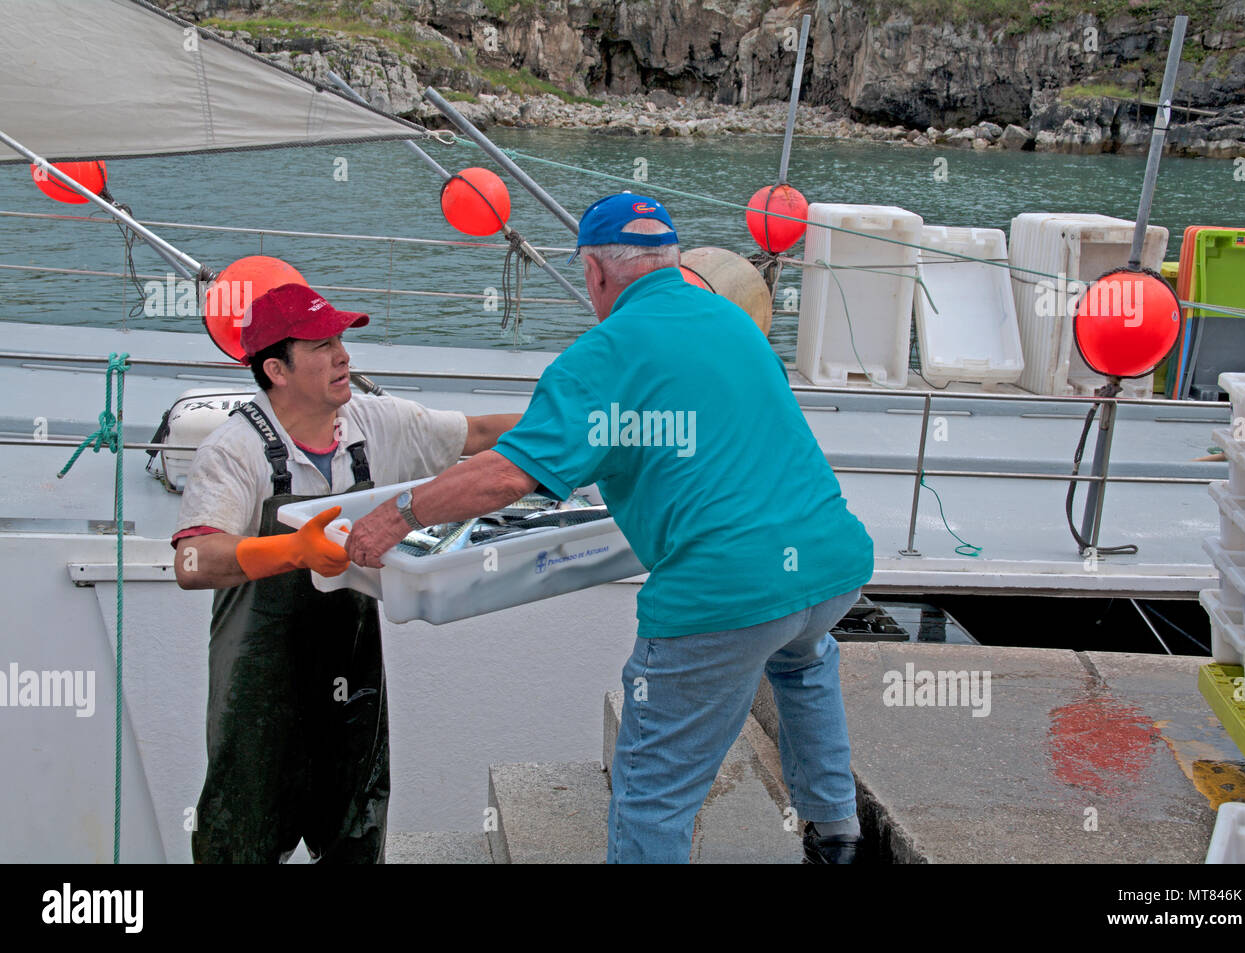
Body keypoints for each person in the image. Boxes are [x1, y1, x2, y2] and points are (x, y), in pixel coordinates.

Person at [346, 193, 875, 864]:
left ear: (594, 272)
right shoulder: (733, 320)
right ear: (671, 260)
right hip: (829, 568)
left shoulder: (603, 352)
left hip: (724, 593)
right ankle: (838, 838)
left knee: (654, 790)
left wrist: (398, 514)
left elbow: (507, 478)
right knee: (803, 663)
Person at [172, 282, 519, 863]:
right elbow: (192, 561)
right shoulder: (233, 450)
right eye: (322, 346)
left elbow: (480, 434)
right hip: (259, 692)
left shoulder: (376, 423)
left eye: (340, 341)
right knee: (241, 839)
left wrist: (587, 426)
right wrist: (293, 550)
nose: (343, 356)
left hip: (350, 681)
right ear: (276, 370)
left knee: (354, 833)